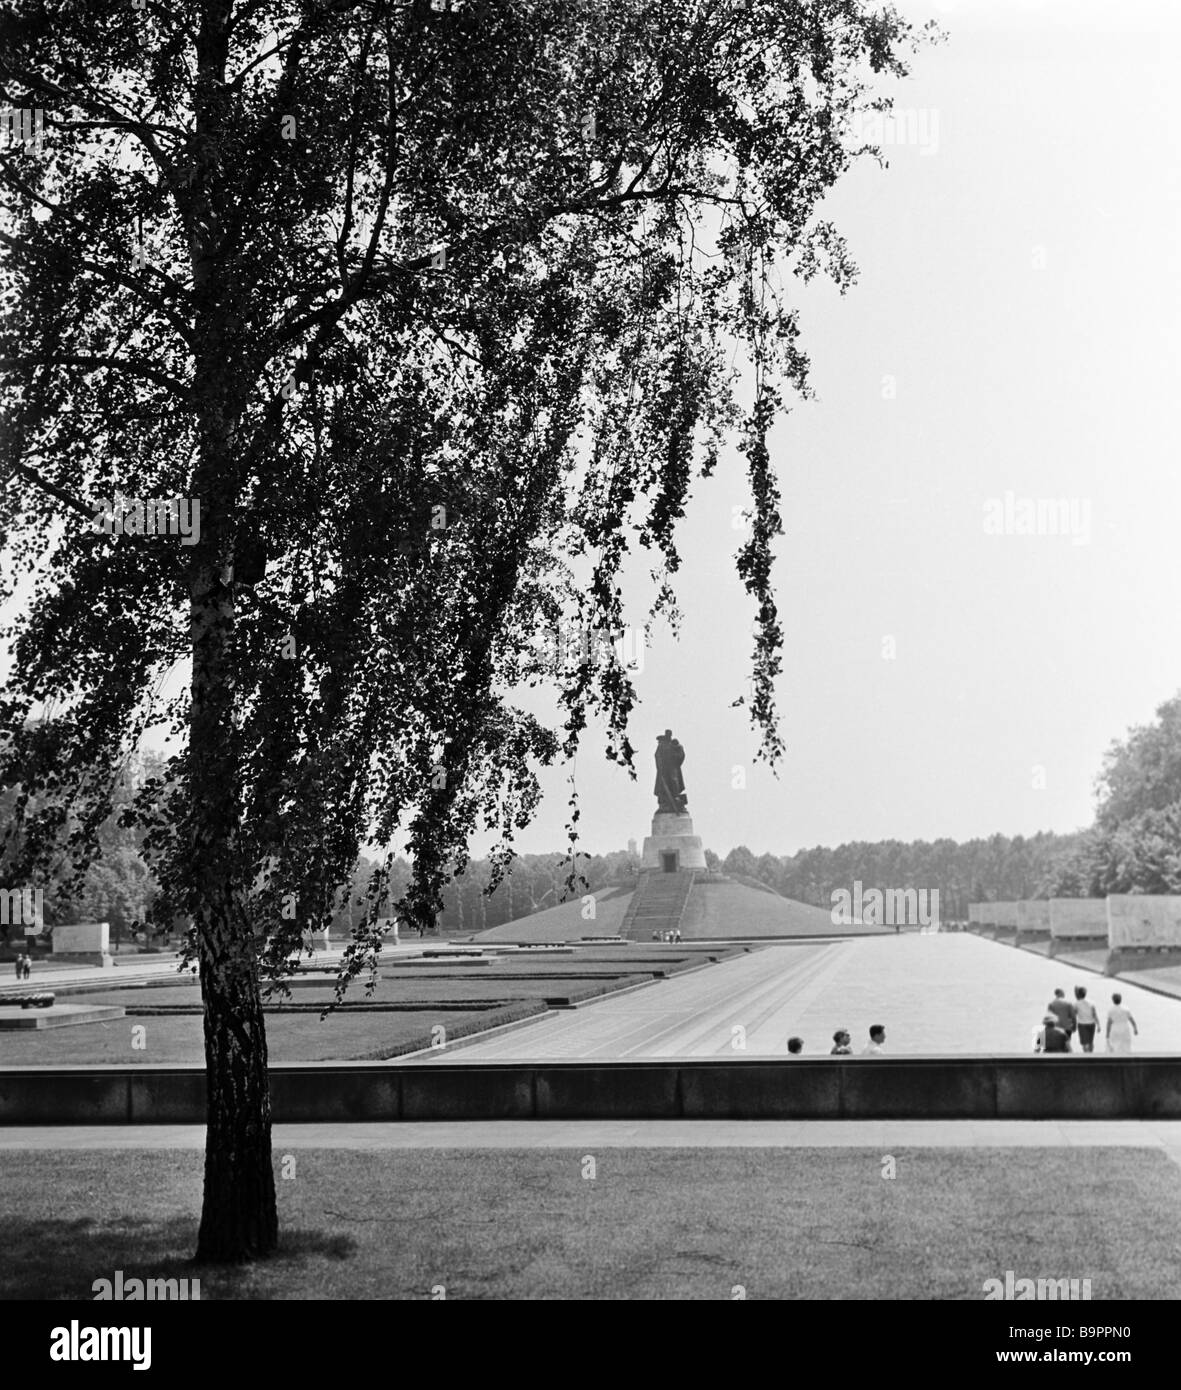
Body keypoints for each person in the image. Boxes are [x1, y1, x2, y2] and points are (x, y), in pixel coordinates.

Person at [1073, 986, 1099, 1053]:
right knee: (1090, 1041)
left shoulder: (1076, 1003)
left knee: (1084, 1043)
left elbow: (1074, 1014)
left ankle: (1086, 1055)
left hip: (1082, 1024)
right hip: (1091, 1024)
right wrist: (1098, 1025)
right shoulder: (1092, 1002)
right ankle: (1091, 1054)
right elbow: (1095, 1014)